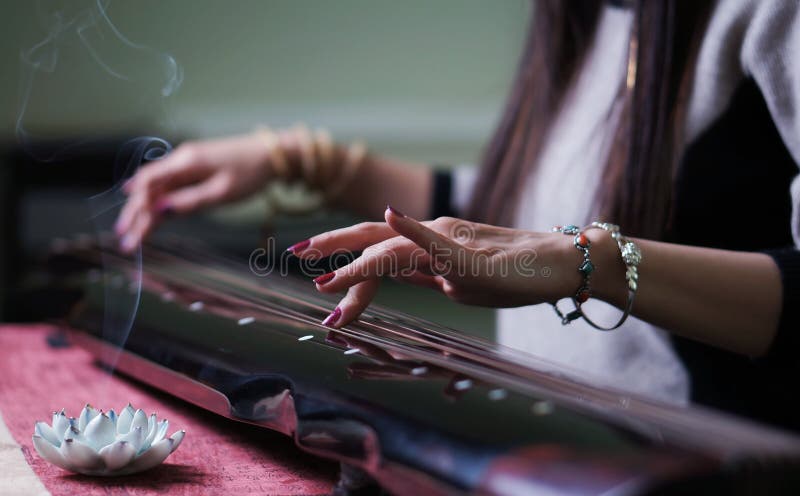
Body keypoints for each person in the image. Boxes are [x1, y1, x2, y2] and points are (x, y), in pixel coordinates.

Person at [116, 0, 800, 432]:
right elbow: (531, 208)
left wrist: (578, 262)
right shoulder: (585, 16)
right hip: (556, 459)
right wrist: (301, 160)